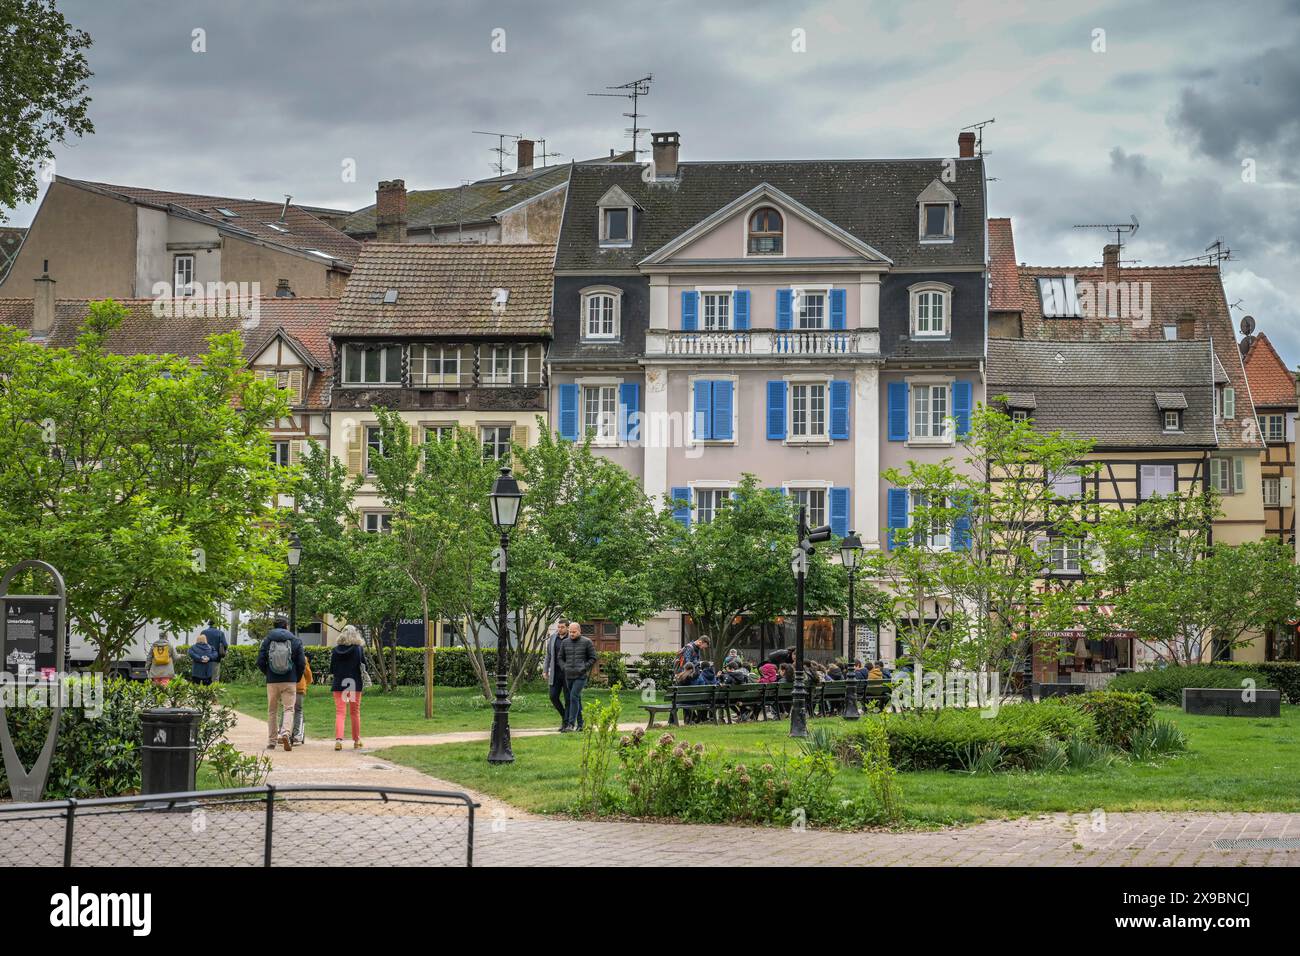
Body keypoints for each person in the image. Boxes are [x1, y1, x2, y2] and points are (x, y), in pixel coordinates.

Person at [257, 617, 306, 751]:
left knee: (272, 710)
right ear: (286, 626)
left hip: (272, 680)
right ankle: (285, 733)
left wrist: (268, 673)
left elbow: (260, 661)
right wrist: (297, 677)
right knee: (289, 709)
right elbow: (302, 662)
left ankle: (272, 740)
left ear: (274, 626)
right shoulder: (295, 640)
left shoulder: (267, 640)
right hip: (289, 679)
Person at [330, 625, 367, 750]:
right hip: (354, 683)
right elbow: (363, 666)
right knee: (354, 713)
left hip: (339, 683)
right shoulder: (358, 649)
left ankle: (339, 740)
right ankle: (356, 740)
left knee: (340, 712)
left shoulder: (335, 650)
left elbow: (332, 669)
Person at [558, 621, 596, 732]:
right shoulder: (565, 642)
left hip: (580, 676)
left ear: (579, 631)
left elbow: (593, 658)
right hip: (568, 675)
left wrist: (584, 668)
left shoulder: (587, 642)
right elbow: (560, 658)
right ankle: (581, 724)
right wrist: (564, 667)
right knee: (577, 699)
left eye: (574, 632)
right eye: (570, 632)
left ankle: (570, 724)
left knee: (573, 697)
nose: (571, 634)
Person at [542, 619, 569, 732]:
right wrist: (545, 670)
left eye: (562, 627)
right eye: (558, 627)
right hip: (555, 672)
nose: (560, 629)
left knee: (568, 699)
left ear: (567, 627)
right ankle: (564, 717)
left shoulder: (571, 638)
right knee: (553, 696)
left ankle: (566, 723)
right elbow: (548, 655)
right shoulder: (553, 638)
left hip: (568, 673)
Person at [291, 655, 314, 745]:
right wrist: (306, 682)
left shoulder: (286, 655)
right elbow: (308, 675)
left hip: (286, 686)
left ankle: (283, 732)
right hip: (299, 687)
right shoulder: (302, 658)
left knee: (286, 709)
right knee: (298, 710)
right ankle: (297, 735)